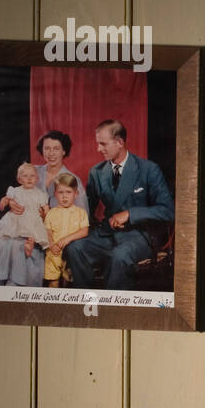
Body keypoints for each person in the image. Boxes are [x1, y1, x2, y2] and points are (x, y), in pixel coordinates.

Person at [64, 119, 175, 291]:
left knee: (119, 255)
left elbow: (167, 211)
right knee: (76, 248)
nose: (98, 149)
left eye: (103, 144)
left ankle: (113, 309)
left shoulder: (148, 169)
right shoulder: (97, 172)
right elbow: (86, 210)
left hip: (139, 236)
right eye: (98, 144)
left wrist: (130, 214)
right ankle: (85, 300)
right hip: (106, 234)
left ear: (120, 142)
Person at [0, 162, 49, 286]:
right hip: (17, 218)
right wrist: (4, 202)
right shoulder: (14, 191)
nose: (29, 179)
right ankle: (22, 244)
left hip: (32, 218)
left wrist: (46, 212)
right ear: (19, 179)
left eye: (32, 176)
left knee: (32, 231)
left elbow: (45, 207)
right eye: (25, 176)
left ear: (37, 178)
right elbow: (6, 200)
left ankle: (30, 245)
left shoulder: (40, 193)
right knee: (11, 233)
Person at [43, 173, 90, 287]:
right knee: (53, 281)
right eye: (60, 192)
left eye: (68, 192)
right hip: (54, 252)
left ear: (76, 193)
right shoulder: (51, 213)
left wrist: (68, 238)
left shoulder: (80, 212)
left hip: (71, 253)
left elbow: (84, 231)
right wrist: (51, 244)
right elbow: (47, 232)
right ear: (55, 194)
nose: (64, 196)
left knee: (69, 281)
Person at [33, 130, 88, 214]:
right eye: (47, 148)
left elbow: (83, 214)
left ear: (63, 151)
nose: (51, 153)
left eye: (56, 148)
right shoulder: (33, 171)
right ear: (42, 150)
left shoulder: (73, 179)